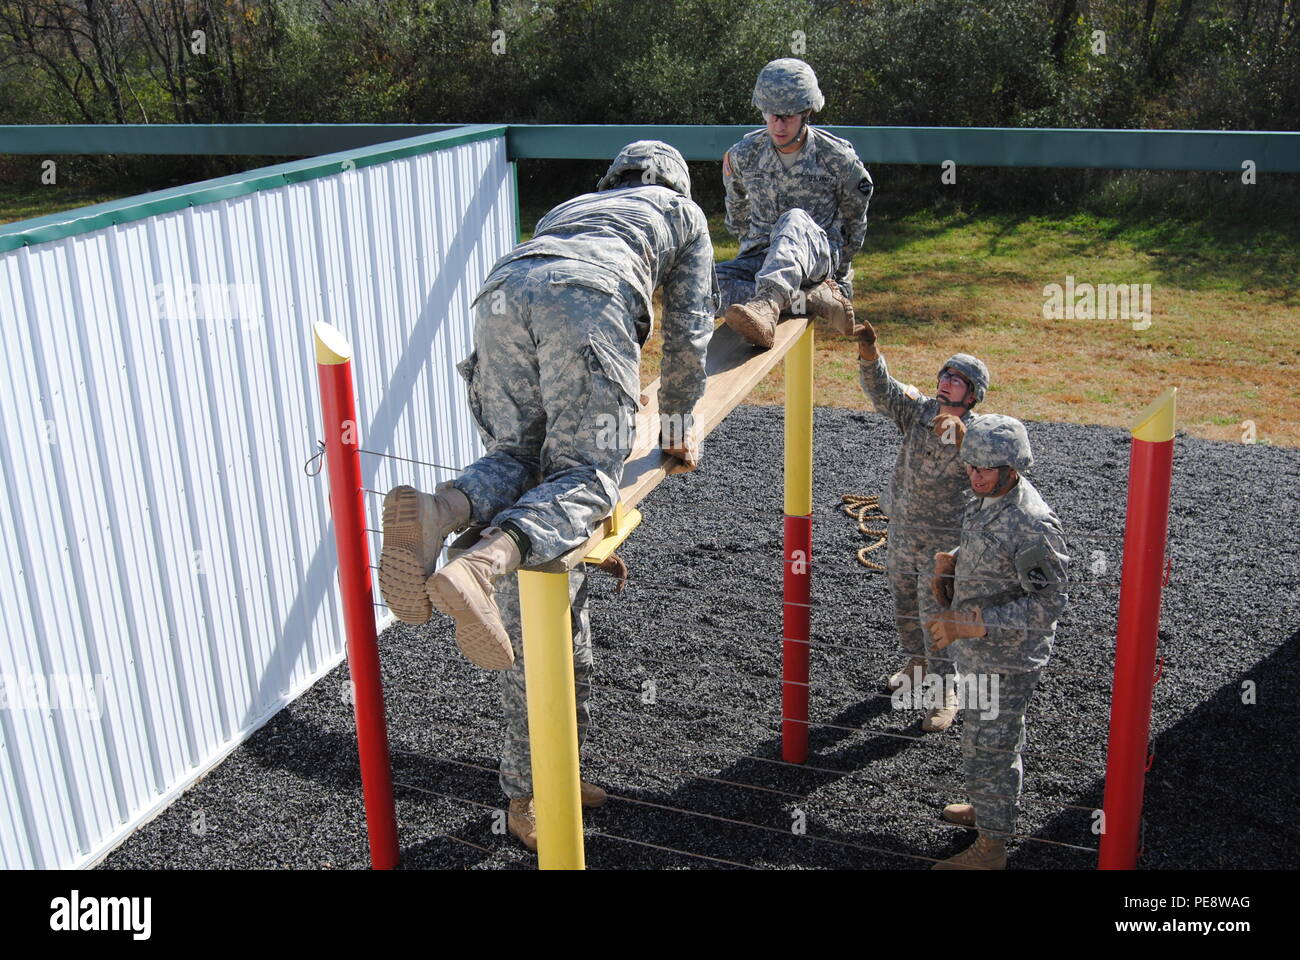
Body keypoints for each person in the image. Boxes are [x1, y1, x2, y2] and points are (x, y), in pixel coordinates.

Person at [377, 140, 716, 850]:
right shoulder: (680, 214)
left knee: (517, 456)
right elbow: (689, 331)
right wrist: (681, 424)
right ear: (675, 181)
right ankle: (482, 563)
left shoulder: (573, 205)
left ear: (614, 176)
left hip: (501, 293)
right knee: (590, 474)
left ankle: (441, 512)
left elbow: (519, 436)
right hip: (587, 300)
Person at [925, 415, 1070, 870]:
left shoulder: (1033, 522)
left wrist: (971, 623)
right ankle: (989, 810)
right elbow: (992, 555)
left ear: (1013, 468)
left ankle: (992, 848)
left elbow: (1048, 606)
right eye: (971, 467)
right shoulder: (987, 497)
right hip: (981, 655)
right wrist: (955, 565)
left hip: (1005, 661)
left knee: (991, 747)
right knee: (982, 741)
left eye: (985, 470)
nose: (975, 476)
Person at [857, 317, 990, 732]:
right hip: (901, 534)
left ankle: (945, 692)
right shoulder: (918, 412)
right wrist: (869, 354)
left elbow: (1004, 467)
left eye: (959, 379)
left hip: (944, 545)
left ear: (973, 394)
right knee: (905, 605)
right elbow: (883, 391)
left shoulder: (983, 432)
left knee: (939, 616)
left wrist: (965, 436)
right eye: (945, 374)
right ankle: (916, 665)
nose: (948, 381)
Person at [718, 57, 873, 349]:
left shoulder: (836, 158)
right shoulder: (744, 155)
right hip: (761, 256)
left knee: (794, 220)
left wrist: (840, 274)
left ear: (806, 113)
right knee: (699, 285)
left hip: (815, 256)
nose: (778, 123)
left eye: (788, 116)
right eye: (771, 114)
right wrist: (753, 246)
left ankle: (767, 304)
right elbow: (737, 213)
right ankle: (810, 297)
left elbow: (855, 219)